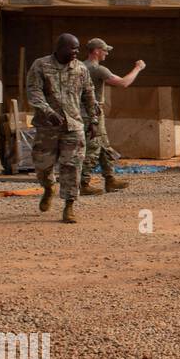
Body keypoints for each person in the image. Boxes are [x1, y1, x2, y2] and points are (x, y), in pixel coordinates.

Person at [26, 33, 102, 224]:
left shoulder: (81, 69)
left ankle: (69, 206)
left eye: (77, 48)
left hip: (74, 126)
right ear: (59, 48)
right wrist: (47, 111)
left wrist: (93, 120)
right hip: (47, 127)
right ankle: (49, 187)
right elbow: (33, 91)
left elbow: (89, 95)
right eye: (72, 48)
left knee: (72, 166)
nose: (76, 52)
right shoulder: (41, 65)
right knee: (42, 166)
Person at [79, 38, 145, 194]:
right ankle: (83, 184)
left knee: (104, 147)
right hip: (92, 113)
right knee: (93, 147)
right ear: (96, 51)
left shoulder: (81, 67)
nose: (107, 53)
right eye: (105, 50)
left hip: (84, 112)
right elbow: (123, 83)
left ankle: (110, 179)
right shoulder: (96, 69)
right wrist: (138, 68)